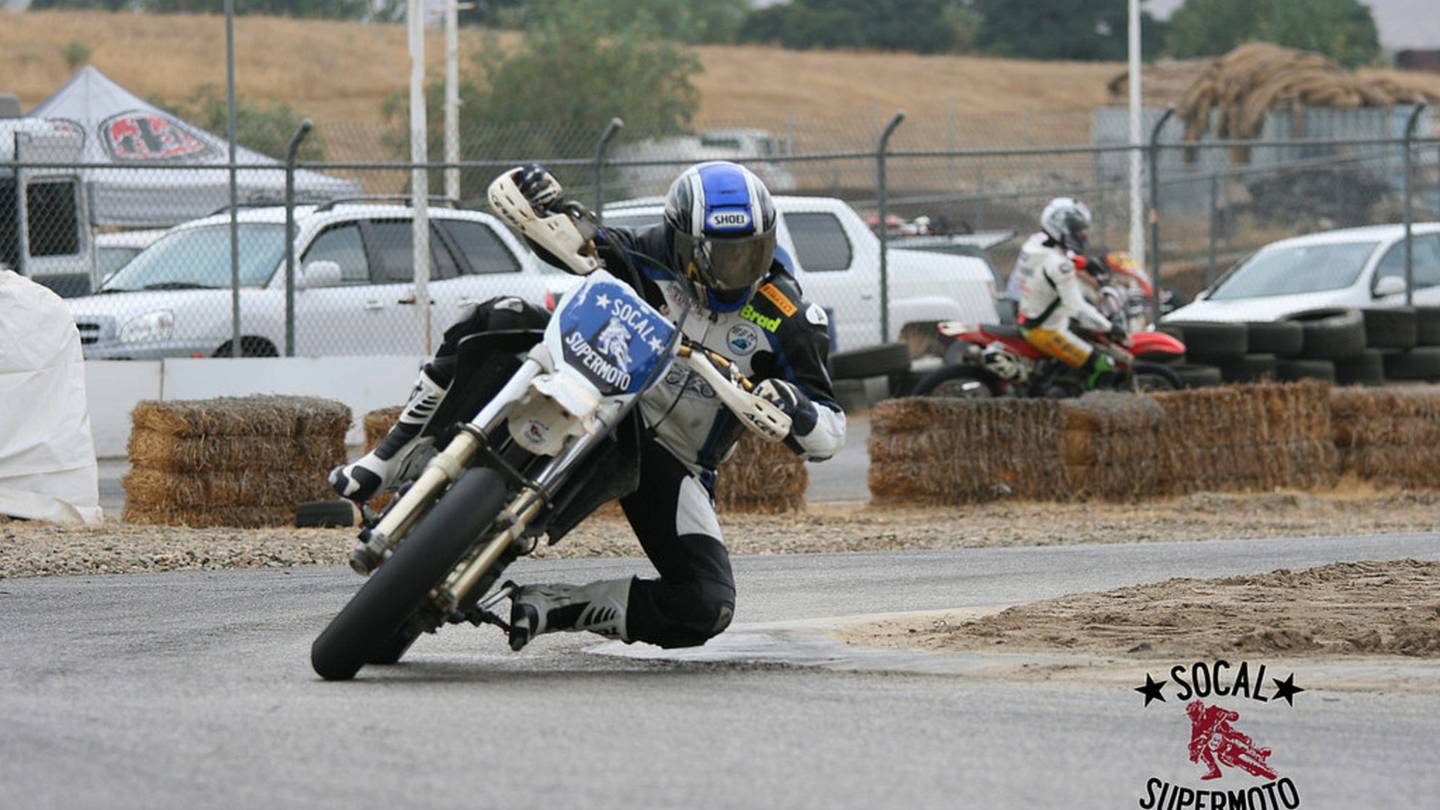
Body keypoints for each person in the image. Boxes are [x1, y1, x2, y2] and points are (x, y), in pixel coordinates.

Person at [330, 160, 846, 652]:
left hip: (673, 457)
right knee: (500, 315)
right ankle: (391, 455)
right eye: (723, 255)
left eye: (751, 253)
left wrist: (796, 408)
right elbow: (581, 241)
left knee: (707, 603)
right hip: (599, 389)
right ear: (682, 241)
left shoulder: (790, 318)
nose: (739, 270)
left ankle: (557, 608)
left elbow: (830, 427)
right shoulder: (649, 251)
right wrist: (543, 202)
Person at [1011, 197, 1125, 389]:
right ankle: (1092, 409)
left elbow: (1052, 260)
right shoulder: (1060, 265)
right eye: (1078, 230)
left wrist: (1085, 263)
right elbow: (1077, 308)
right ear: (1061, 228)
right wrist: (1109, 327)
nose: (1082, 235)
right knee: (1104, 366)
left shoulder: (1034, 243)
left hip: (1028, 314)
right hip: (1046, 329)